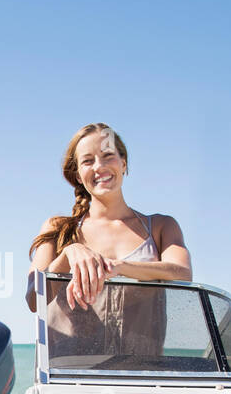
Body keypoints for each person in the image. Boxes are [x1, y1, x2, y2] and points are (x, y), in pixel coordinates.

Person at [26, 123, 192, 361]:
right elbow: (33, 298)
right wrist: (69, 254)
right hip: (68, 378)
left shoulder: (161, 226)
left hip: (141, 376)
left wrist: (118, 267)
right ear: (77, 174)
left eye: (107, 156)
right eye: (87, 161)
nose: (99, 167)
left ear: (123, 164)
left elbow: (183, 273)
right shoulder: (57, 228)